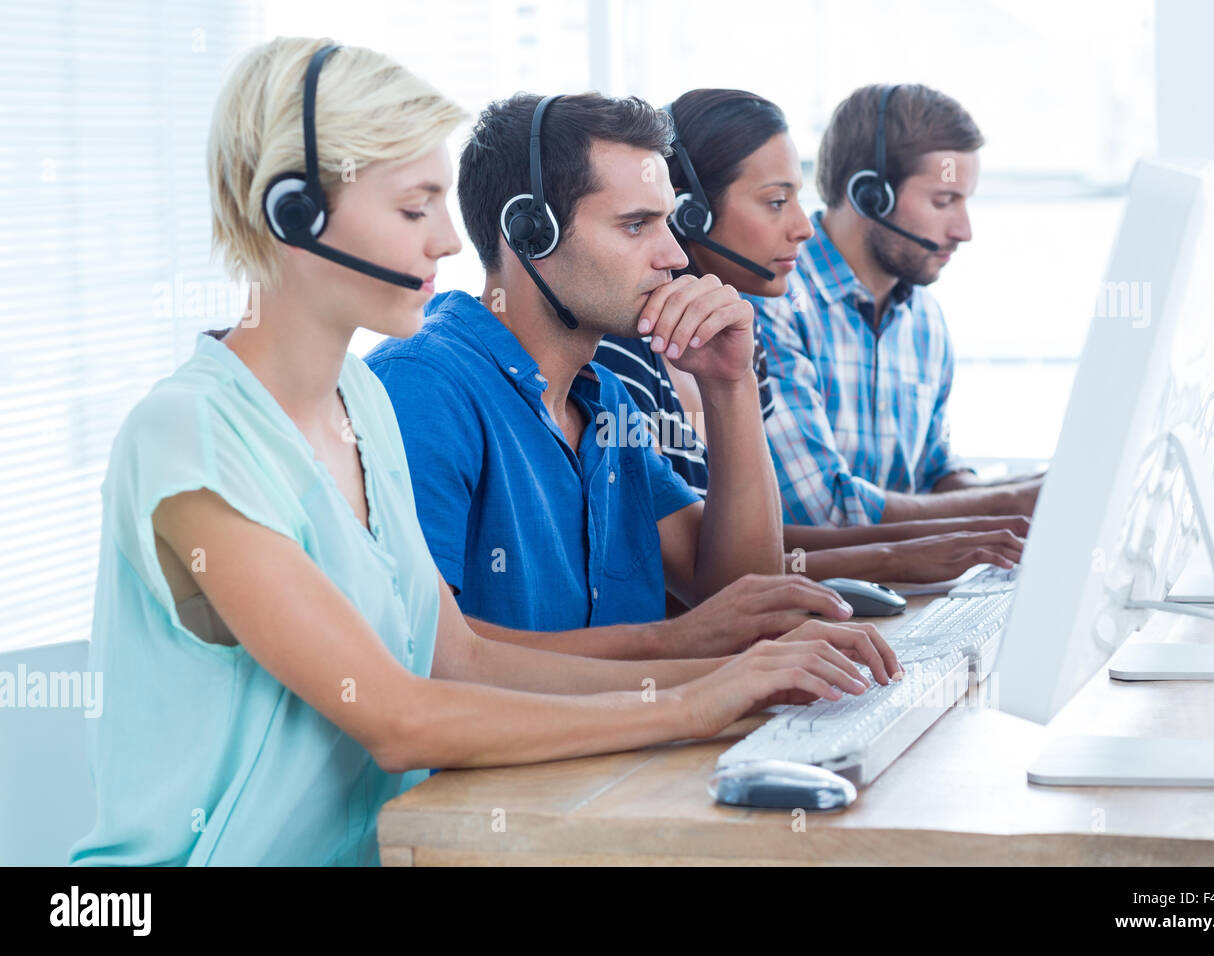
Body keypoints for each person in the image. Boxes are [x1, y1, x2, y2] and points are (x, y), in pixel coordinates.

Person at [69, 38, 899, 867]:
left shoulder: (358, 405)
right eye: (412, 208)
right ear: (293, 214)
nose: (442, 242)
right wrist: (700, 698)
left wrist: (737, 689)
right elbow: (400, 716)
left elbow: (457, 657)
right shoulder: (194, 433)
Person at [367, 92, 866, 659]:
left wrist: (730, 386)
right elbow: (421, 651)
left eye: (668, 223)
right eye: (636, 226)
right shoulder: (422, 388)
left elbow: (738, 605)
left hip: (641, 748)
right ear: (531, 233)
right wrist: (671, 645)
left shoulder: (607, 402)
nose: (676, 256)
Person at [594, 89, 1026, 583]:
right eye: (777, 202)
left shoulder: (736, 348)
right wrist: (896, 556)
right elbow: (711, 578)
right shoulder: (621, 363)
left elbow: (759, 546)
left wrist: (960, 536)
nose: (802, 227)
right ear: (689, 215)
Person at [751, 83, 1043, 528]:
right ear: (870, 195)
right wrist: (1009, 503)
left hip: (906, 593)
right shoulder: (775, 300)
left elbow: (934, 479)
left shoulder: (924, 320)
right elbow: (823, 513)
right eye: (944, 201)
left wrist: (1040, 489)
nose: (964, 230)